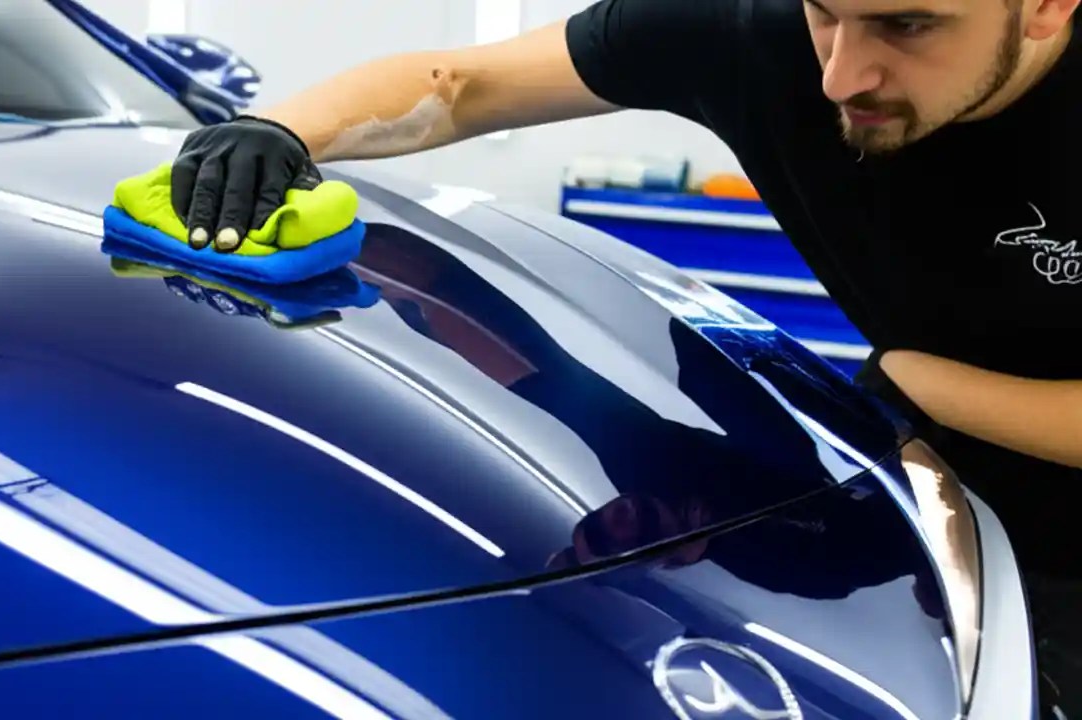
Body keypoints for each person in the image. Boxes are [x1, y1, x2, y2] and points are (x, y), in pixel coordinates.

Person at [165, 0, 1082, 714]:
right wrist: (279, 135)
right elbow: (464, 82)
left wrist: (919, 382)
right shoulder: (746, 32)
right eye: (824, 13)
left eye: (908, 23)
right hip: (920, 510)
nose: (844, 74)